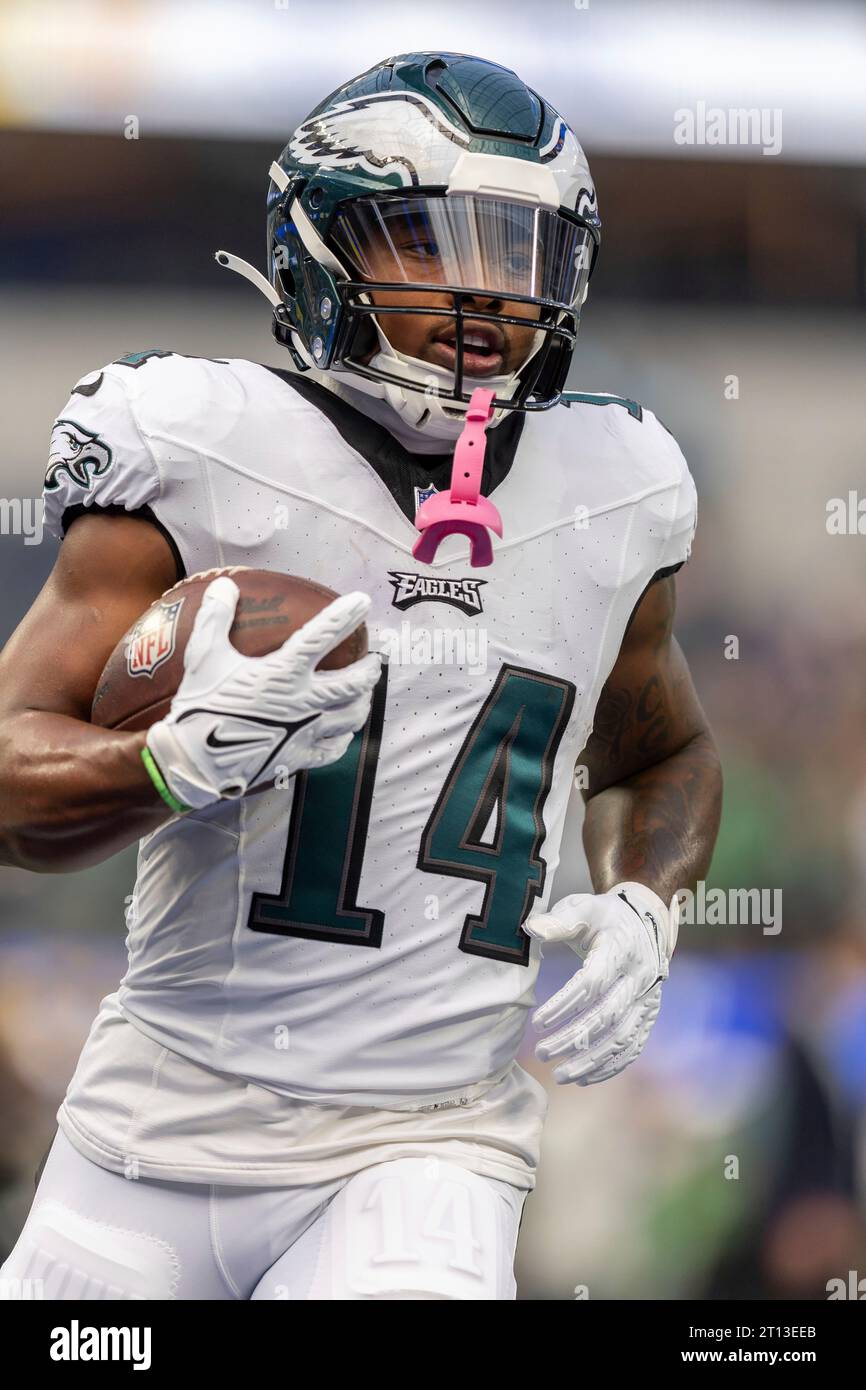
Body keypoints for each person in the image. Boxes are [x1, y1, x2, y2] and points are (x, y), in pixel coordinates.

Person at [0, 52, 721, 1300]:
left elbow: (662, 752)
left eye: (517, 254)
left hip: (427, 1139)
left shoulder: (620, 483)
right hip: (152, 1125)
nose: (482, 297)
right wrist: (160, 764)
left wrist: (646, 903)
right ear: (316, 245)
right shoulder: (194, 445)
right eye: (424, 244)